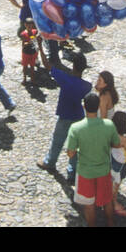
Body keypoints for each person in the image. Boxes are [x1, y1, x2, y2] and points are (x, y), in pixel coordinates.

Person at [65, 92, 122, 227]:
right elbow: (117, 144)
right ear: (98, 107)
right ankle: (110, 222)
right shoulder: (108, 125)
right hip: (103, 170)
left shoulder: (76, 128)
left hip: (85, 172)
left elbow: (70, 154)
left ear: (84, 106)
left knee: (89, 205)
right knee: (107, 200)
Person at [36, 49, 90, 184]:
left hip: (65, 115)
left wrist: (41, 47)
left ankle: (50, 162)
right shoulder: (86, 86)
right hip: (78, 116)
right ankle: (72, 172)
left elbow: (47, 64)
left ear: (73, 66)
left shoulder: (65, 79)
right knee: (76, 146)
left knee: (57, 141)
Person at [109, 110, 126, 219]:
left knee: (111, 182)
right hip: (119, 165)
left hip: (112, 161)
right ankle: (113, 202)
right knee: (115, 185)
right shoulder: (122, 139)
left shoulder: (111, 135)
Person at [18, 17, 40, 85]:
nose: (29, 27)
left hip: (33, 52)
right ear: (25, 25)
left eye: (31, 26)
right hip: (26, 53)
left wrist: (37, 49)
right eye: (28, 26)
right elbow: (23, 44)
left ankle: (32, 79)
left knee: (32, 67)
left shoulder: (34, 32)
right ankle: (24, 79)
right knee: (25, 66)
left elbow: (37, 38)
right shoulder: (23, 34)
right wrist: (29, 43)